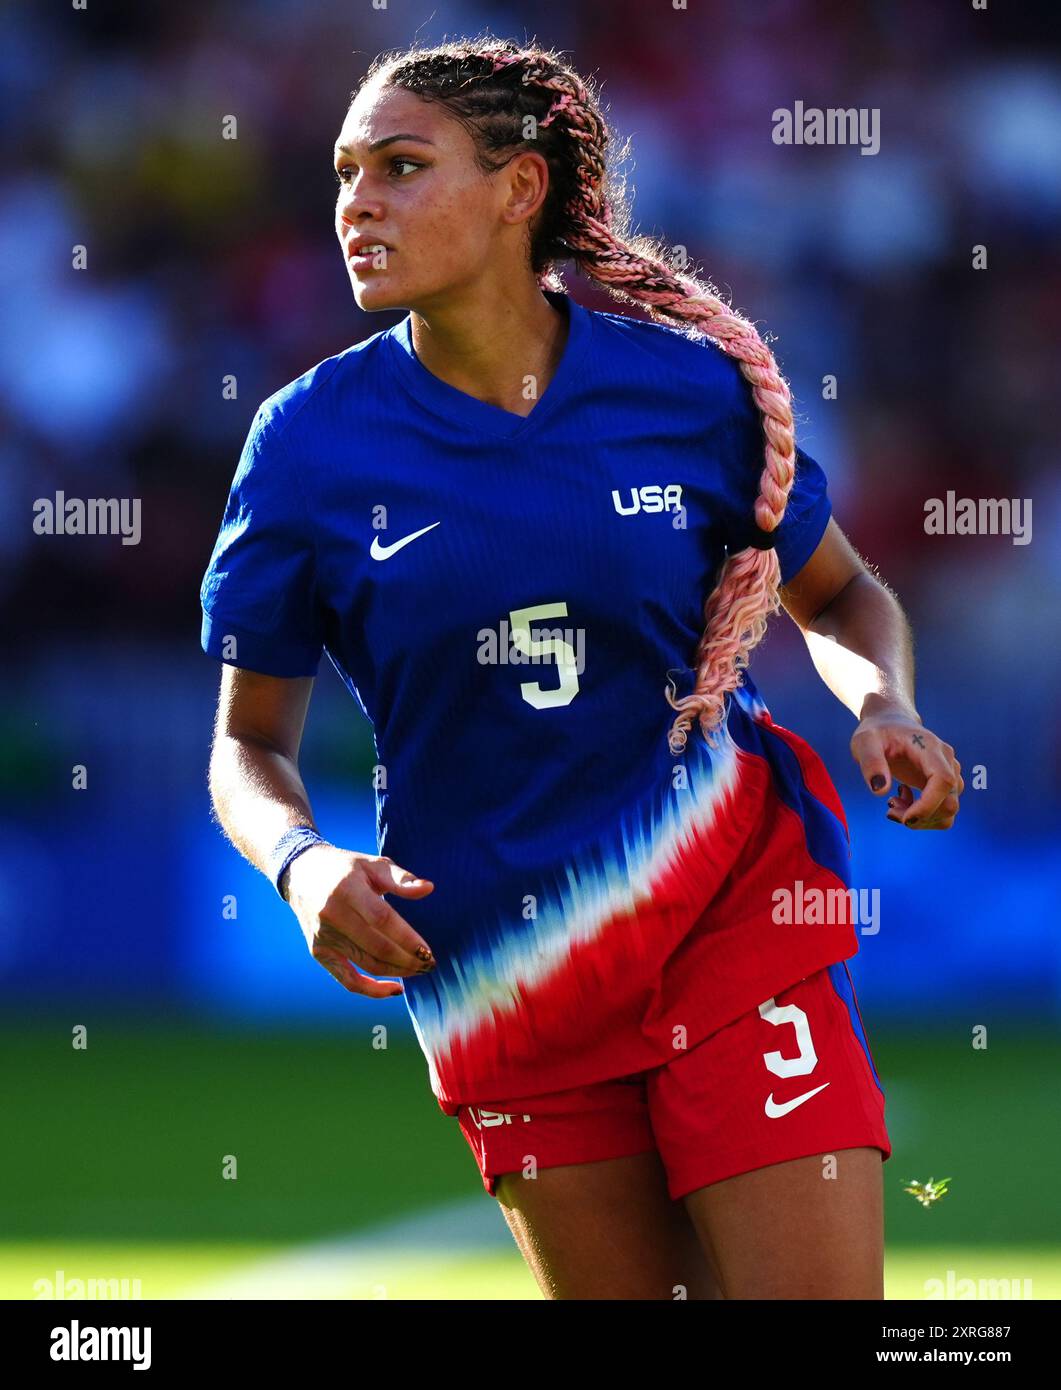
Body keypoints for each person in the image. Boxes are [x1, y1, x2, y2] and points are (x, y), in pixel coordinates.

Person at [199, 36, 963, 1300]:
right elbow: (247, 745)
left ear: (519, 190)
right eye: (343, 174)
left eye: (399, 167)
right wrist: (301, 860)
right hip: (506, 970)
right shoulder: (303, 447)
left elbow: (841, 595)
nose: (356, 205)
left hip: (730, 917)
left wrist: (883, 701)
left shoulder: (687, 391)